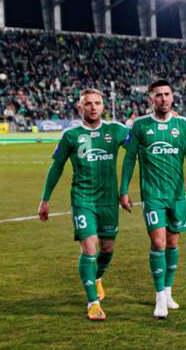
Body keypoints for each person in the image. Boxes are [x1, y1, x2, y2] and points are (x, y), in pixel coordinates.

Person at [39, 89, 129, 321]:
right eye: (88, 103)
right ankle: (93, 302)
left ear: (103, 106)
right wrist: (45, 199)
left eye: (97, 103)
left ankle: (96, 278)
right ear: (80, 107)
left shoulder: (116, 130)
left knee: (107, 250)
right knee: (89, 249)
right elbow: (56, 167)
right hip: (83, 199)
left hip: (109, 201)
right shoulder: (70, 135)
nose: (93, 107)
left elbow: (140, 143)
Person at [119, 81, 186, 317]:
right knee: (158, 243)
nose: (163, 99)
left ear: (172, 97)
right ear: (151, 99)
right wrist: (124, 189)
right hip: (153, 196)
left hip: (176, 196)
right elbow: (129, 159)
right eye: (158, 95)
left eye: (167, 94)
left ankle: (168, 290)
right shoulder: (140, 125)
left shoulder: (183, 124)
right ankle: (159, 298)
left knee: (173, 243)